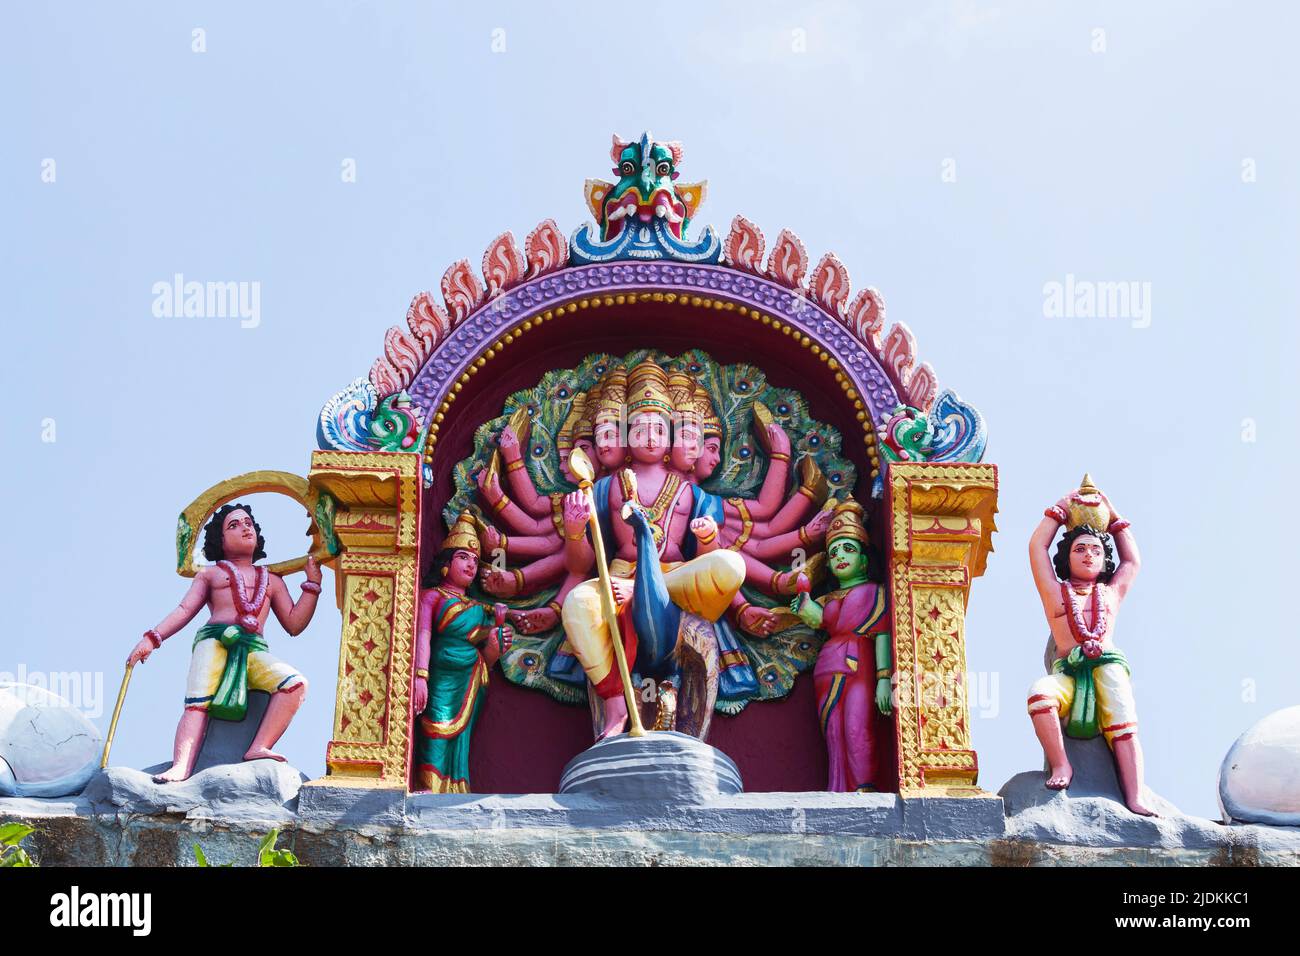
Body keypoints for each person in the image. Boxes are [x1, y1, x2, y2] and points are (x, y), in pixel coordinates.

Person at [127, 503, 322, 783]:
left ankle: (259, 746)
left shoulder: (273, 580)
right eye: (234, 525)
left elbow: (294, 623)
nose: (245, 528)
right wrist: (152, 638)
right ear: (220, 540)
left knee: (295, 684)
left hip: (253, 648)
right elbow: (184, 610)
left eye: (248, 523)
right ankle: (182, 765)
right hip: (214, 642)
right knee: (198, 703)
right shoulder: (210, 574)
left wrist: (312, 585)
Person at [1026, 481, 1153, 816]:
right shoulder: (1055, 593)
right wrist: (1058, 510)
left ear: (1104, 559)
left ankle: (1136, 794)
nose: (1089, 555)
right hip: (1068, 669)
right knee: (1040, 696)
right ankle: (1061, 766)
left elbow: (1132, 562)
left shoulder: (1110, 594)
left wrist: (1113, 517)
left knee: (1123, 724)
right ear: (1066, 557)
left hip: (1107, 666)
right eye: (1080, 549)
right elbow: (1037, 548)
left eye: (1096, 551)